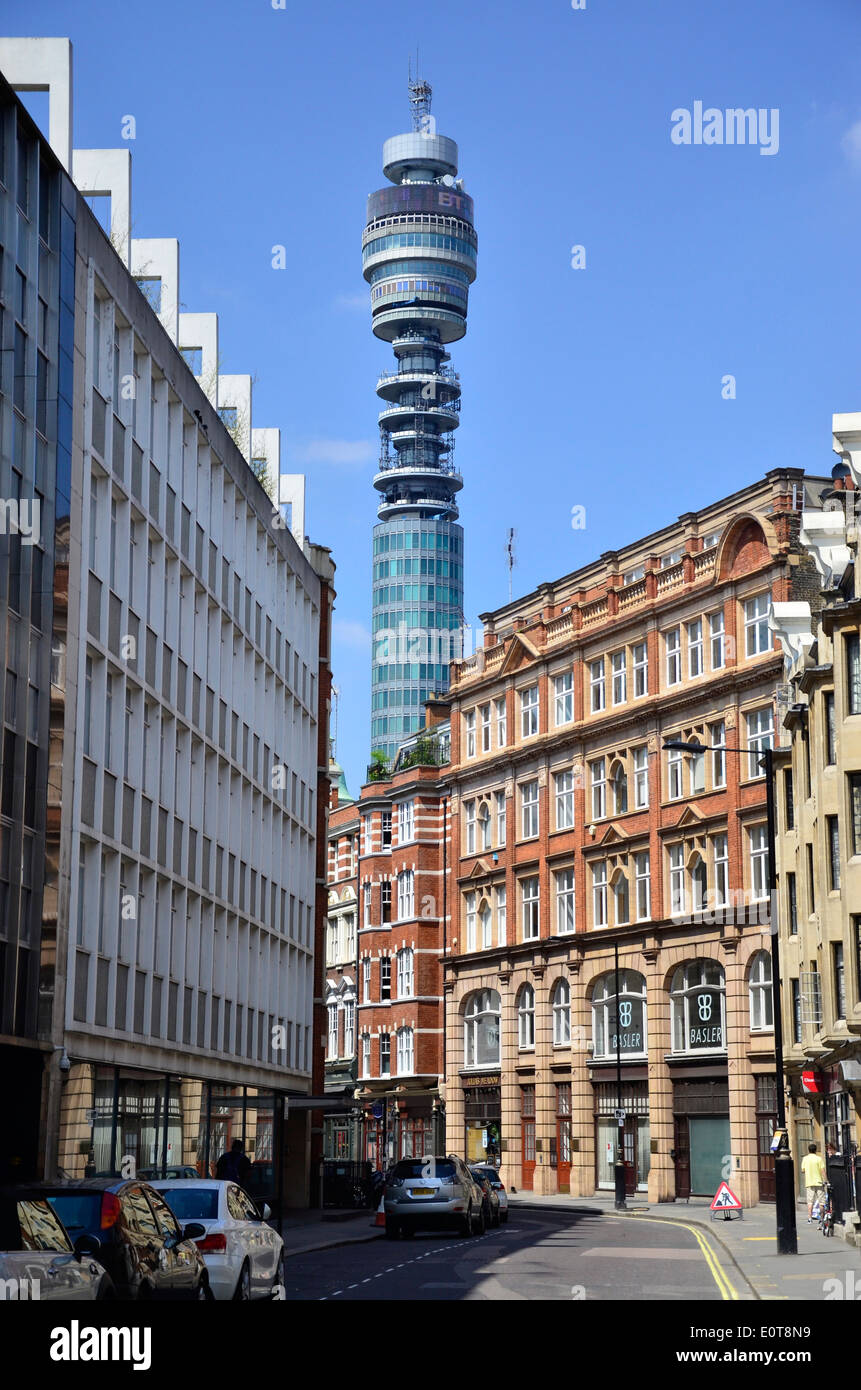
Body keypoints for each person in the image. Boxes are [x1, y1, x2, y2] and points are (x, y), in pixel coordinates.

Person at [800, 1141, 826, 1222]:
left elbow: (803, 1170)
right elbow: (822, 1171)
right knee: (821, 1202)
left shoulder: (805, 1158)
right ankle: (821, 1218)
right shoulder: (819, 1159)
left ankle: (810, 1218)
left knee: (810, 1201)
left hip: (809, 1182)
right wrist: (826, 1180)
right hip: (819, 1182)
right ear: (815, 1150)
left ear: (808, 1150)